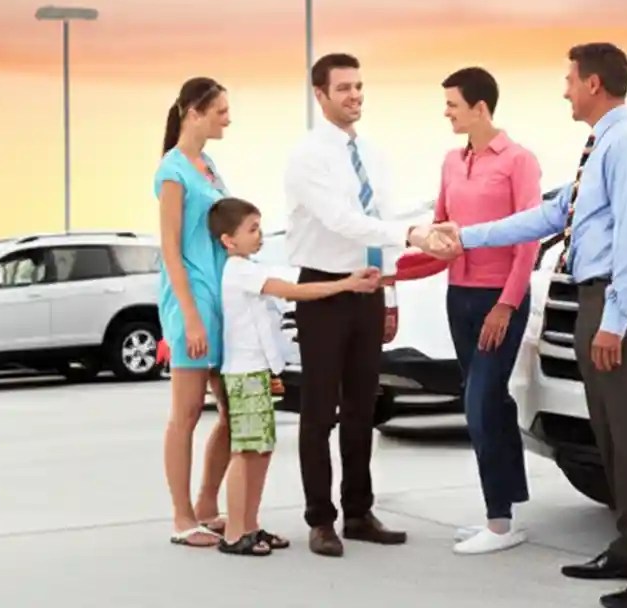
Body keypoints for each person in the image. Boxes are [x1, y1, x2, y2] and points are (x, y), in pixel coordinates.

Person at [426, 44, 627, 608]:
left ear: (593, 83)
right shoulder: (600, 149)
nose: (564, 89)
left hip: (618, 305)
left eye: (569, 79)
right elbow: (552, 215)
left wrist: (614, 321)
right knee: (611, 436)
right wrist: (465, 236)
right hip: (592, 301)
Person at [283, 51, 450, 557]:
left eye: (359, 87)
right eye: (343, 89)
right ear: (320, 95)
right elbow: (341, 219)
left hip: (368, 290)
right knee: (319, 411)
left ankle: (358, 512)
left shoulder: (373, 153)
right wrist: (413, 233)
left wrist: (430, 228)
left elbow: (384, 214)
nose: (355, 96)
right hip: (326, 290)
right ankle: (320, 520)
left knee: (362, 406)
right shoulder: (308, 156)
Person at [207, 196, 381, 556]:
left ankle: (251, 526)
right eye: (251, 229)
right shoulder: (240, 270)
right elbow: (296, 291)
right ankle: (235, 532)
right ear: (228, 240)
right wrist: (345, 284)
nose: (259, 236)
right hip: (244, 373)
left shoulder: (248, 268)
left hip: (257, 371)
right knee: (247, 451)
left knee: (261, 450)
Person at [435, 67, 542, 555]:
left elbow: (528, 238)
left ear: (480, 108)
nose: (447, 112)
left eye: (453, 104)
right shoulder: (452, 162)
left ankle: (499, 525)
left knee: (480, 405)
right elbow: (442, 226)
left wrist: (506, 304)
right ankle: (502, 509)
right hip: (459, 297)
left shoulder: (519, 161)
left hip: (500, 299)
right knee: (491, 404)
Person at [156, 76, 235, 549]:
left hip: (222, 296)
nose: (228, 118)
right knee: (185, 414)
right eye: (221, 110)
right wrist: (190, 316)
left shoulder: (207, 165)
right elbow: (170, 247)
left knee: (231, 410)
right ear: (194, 111)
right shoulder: (172, 171)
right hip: (192, 301)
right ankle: (182, 517)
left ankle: (207, 503)